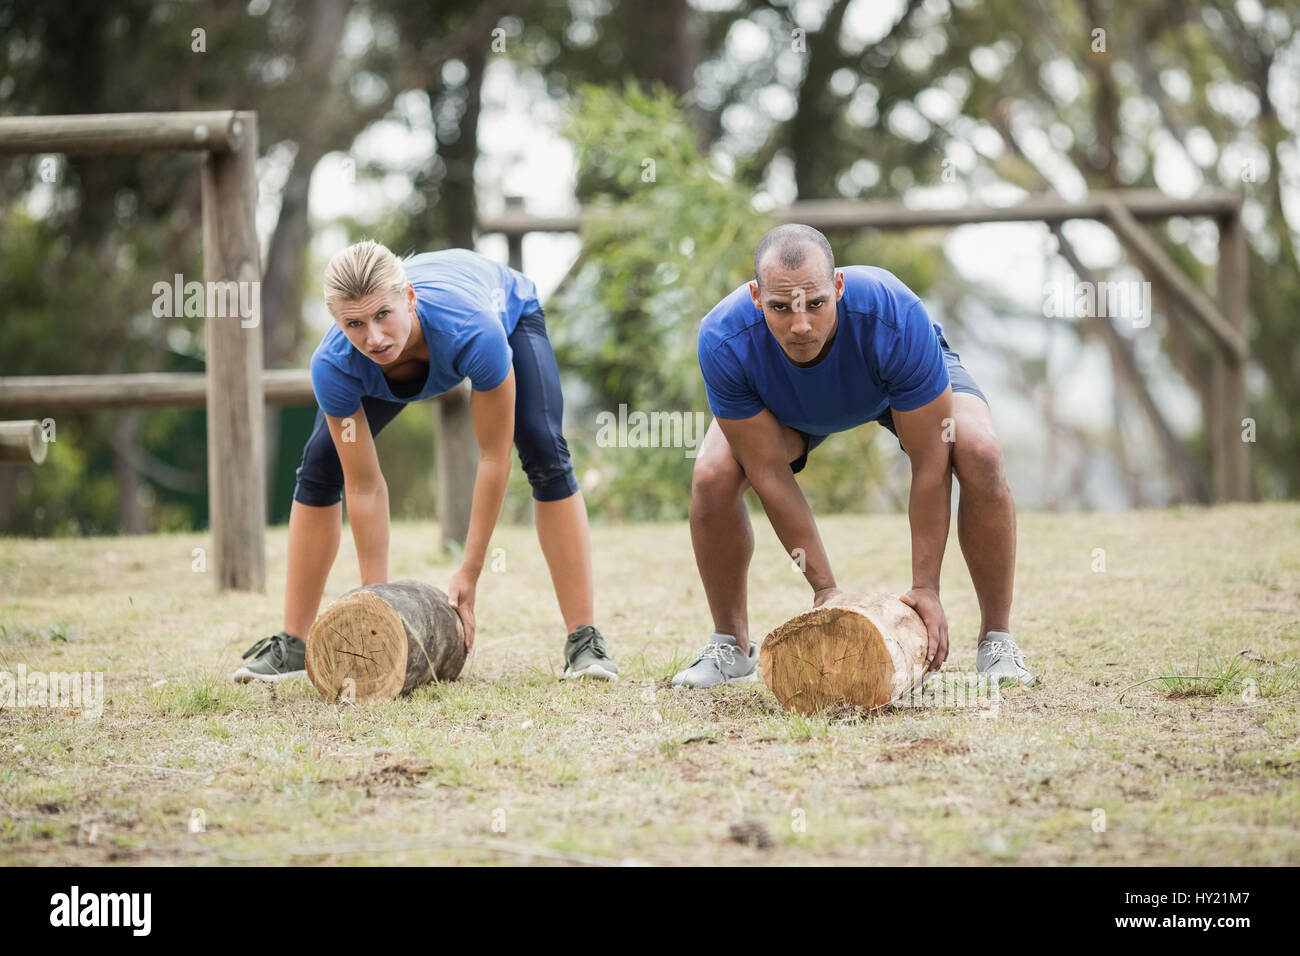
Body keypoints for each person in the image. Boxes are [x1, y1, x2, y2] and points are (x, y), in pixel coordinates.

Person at [233, 240, 618, 684]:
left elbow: (493, 458)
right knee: (320, 466)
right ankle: (293, 644)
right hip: (415, 346)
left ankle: (584, 641)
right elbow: (364, 485)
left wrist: (469, 572)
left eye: (383, 315)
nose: (373, 337)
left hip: (509, 313)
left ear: (409, 299)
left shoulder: (476, 331)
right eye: (353, 323)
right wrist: (377, 608)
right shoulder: (336, 364)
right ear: (337, 321)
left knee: (544, 450)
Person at [674, 223, 1034, 690]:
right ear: (756, 297)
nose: (800, 325)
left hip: (891, 388)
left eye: (816, 304)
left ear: (838, 287)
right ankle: (730, 644)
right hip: (788, 406)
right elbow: (767, 470)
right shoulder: (724, 338)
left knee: (979, 450)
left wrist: (926, 587)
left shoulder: (895, 312)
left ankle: (996, 638)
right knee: (713, 474)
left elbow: (929, 461)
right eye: (780, 308)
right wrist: (825, 589)